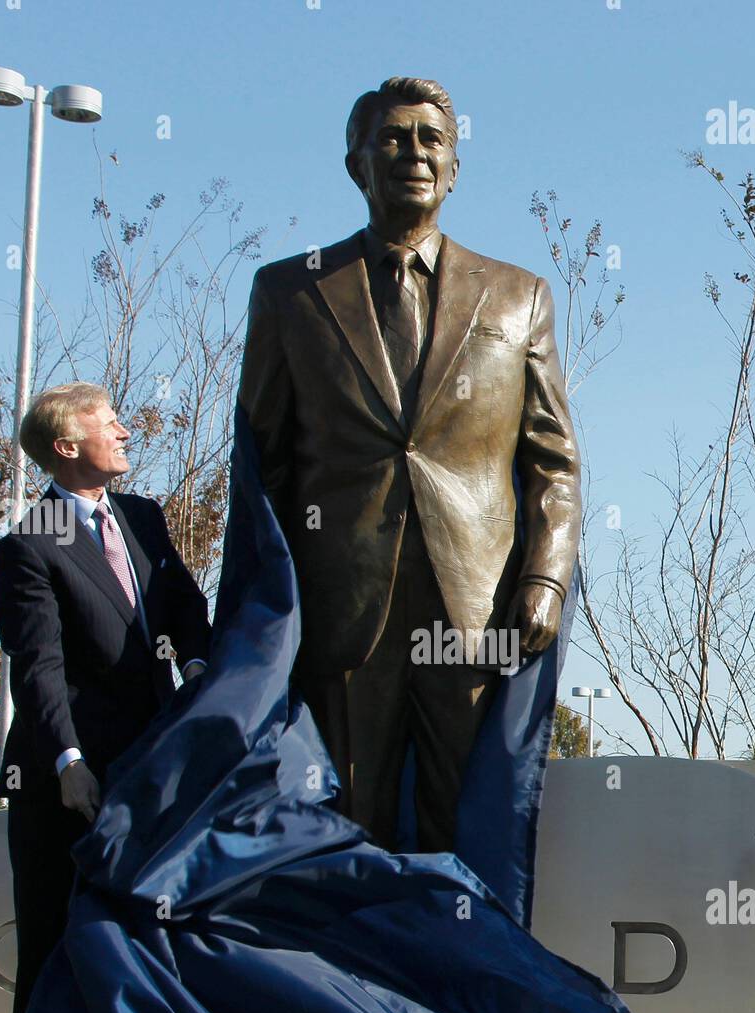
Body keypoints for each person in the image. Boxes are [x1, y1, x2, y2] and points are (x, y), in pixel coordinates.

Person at [235, 76, 581, 852]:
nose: (414, 153)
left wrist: (545, 577)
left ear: (454, 169)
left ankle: (456, 971)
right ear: (357, 163)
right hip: (341, 600)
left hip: (476, 601)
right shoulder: (289, 292)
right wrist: (260, 606)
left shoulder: (518, 295)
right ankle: (350, 971)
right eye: (393, 137)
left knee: (466, 820)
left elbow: (552, 460)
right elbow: (262, 468)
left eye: (432, 140)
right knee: (343, 815)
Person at [0, 381, 211, 1013]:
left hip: (151, 763)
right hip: (66, 781)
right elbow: (38, 667)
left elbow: (182, 604)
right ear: (66, 446)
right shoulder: (30, 544)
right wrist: (68, 762)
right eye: (109, 423)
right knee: (56, 938)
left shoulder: (144, 516)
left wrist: (197, 668)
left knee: (145, 938)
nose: (124, 433)